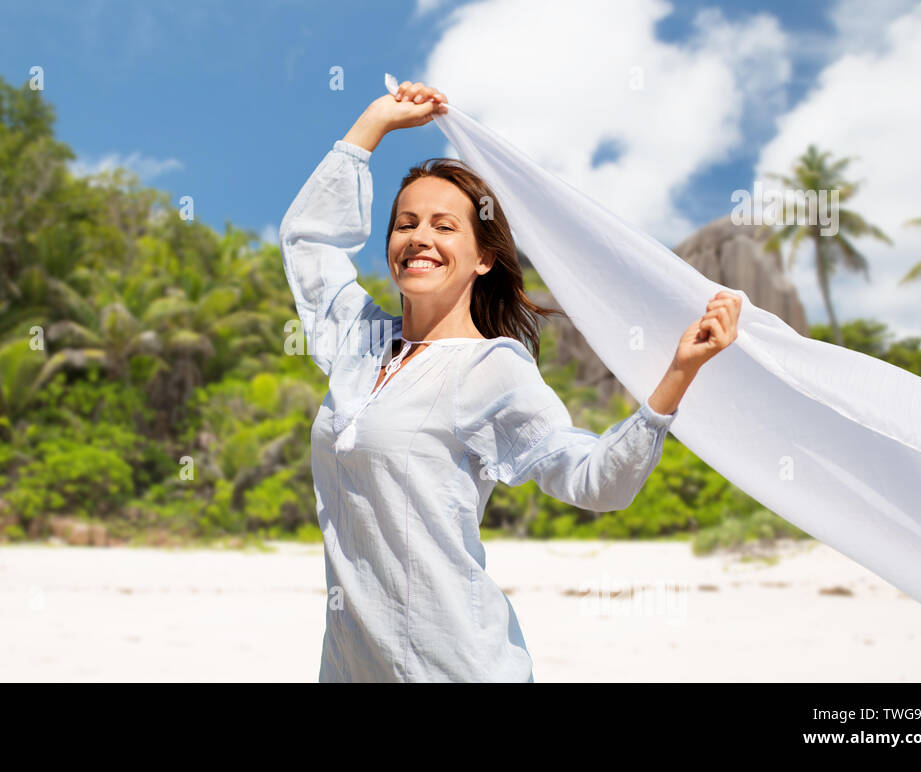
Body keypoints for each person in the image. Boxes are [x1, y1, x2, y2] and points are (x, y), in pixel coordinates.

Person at [279, 80, 742, 682]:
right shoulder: (358, 344)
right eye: (406, 224)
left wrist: (679, 373)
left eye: (445, 227)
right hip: (350, 667)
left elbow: (594, 481)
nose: (420, 237)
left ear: (483, 257)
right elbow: (308, 242)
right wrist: (372, 125)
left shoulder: (491, 367)